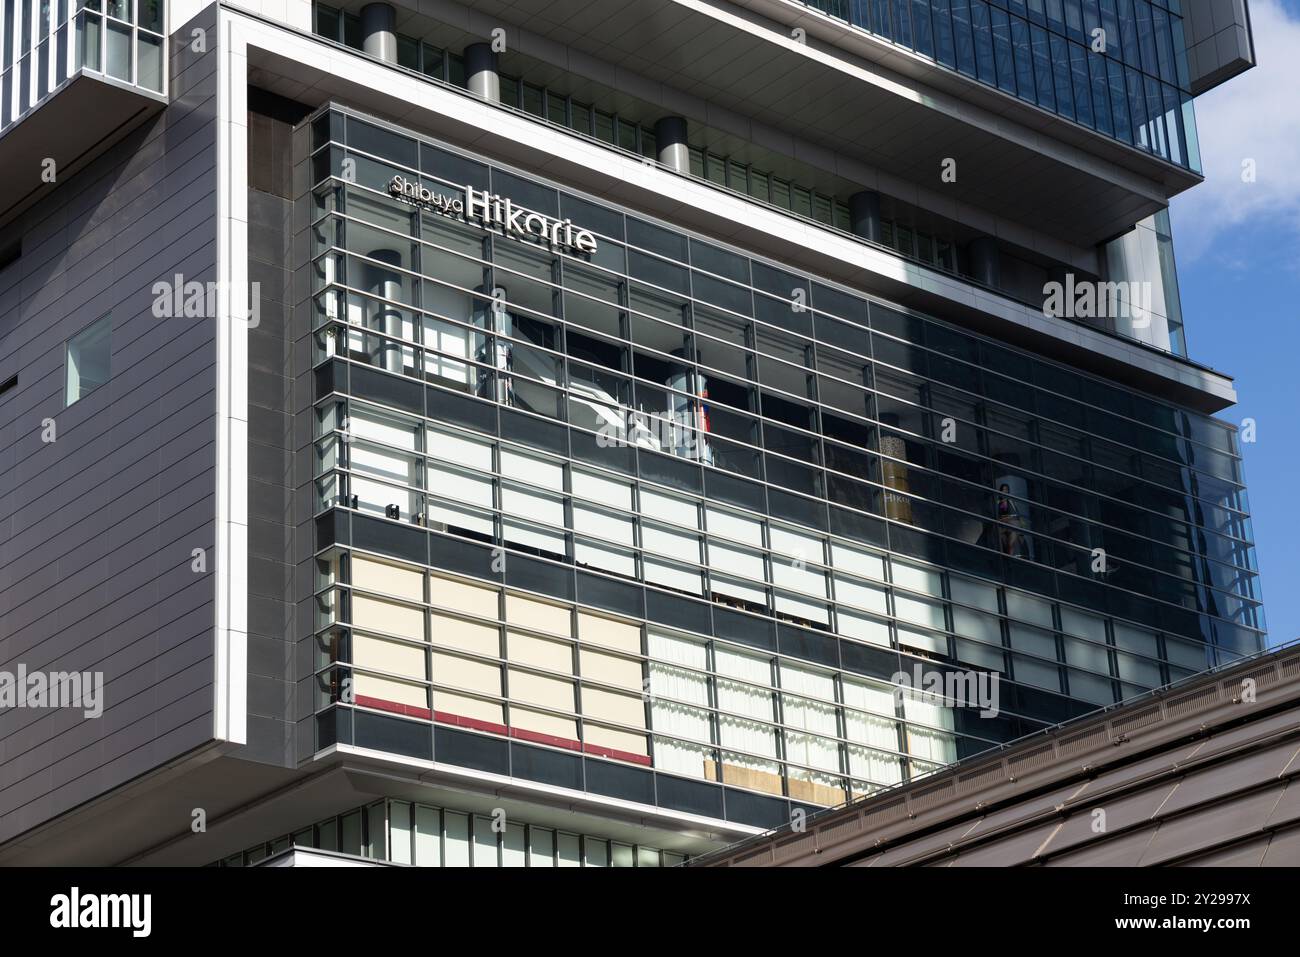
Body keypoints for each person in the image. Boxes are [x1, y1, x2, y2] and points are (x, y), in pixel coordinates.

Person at [996, 483, 1026, 556]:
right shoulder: (999, 502)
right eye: (1003, 489)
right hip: (1003, 524)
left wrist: (1021, 522)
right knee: (1006, 537)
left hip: (1011, 524)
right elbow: (998, 515)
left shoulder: (1011, 501)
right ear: (1001, 491)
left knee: (1014, 534)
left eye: (1006, 489)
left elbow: (1017, 513)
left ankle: (1011, 554)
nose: (1005, 491)